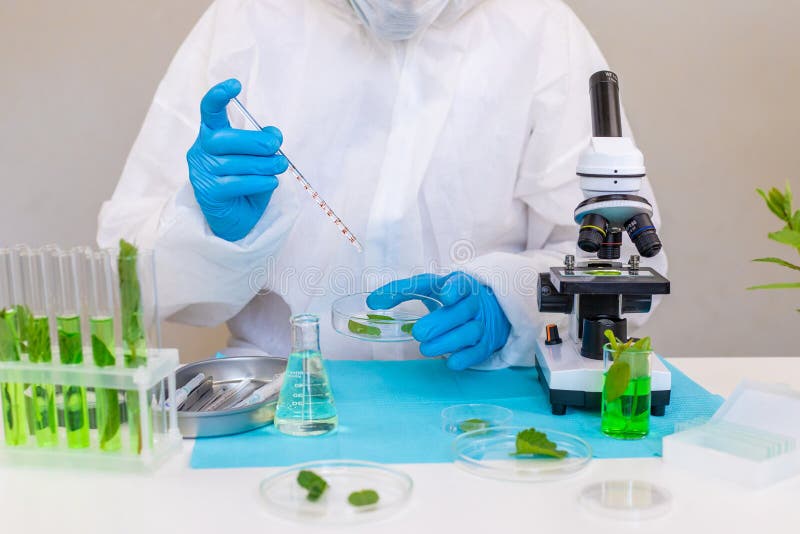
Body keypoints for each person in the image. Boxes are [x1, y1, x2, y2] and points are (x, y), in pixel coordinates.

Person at [97, 0, 666, 370]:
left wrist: (509, 296)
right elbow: (126, 268)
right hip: (280, 396)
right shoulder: (247, 19)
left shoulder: (539, 28)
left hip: (485, 398)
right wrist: (209, 233)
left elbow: (625, 267)